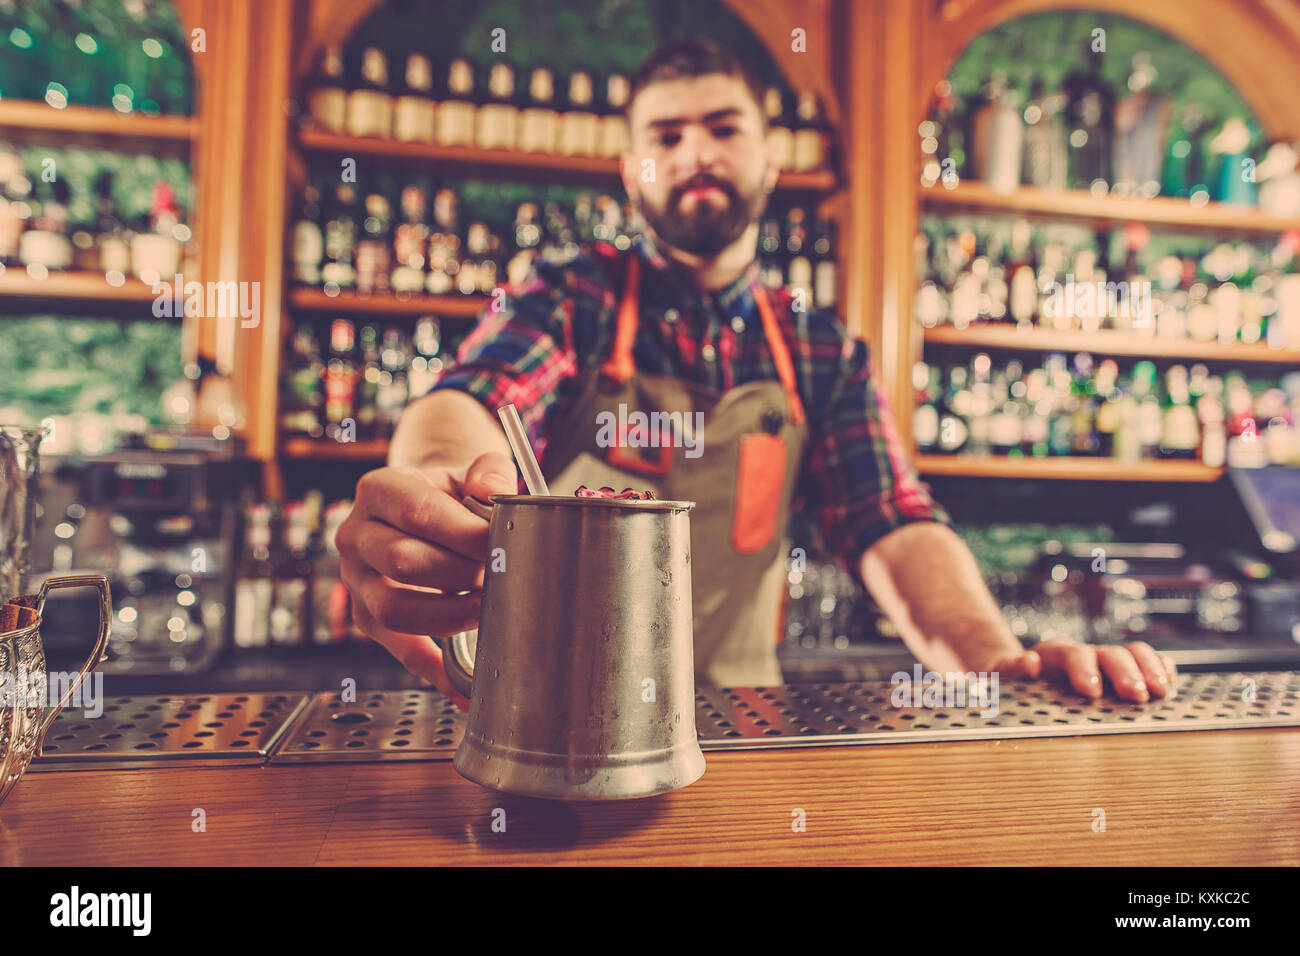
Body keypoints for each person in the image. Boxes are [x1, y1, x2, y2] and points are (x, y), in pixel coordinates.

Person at [335, 37, 1177, 712]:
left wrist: (995, 661)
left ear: (770, 159)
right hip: (559, 724)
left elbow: (893, 523)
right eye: (666, 137)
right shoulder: (569, 298)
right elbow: (472, 398)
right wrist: (434, 484)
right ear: (633, 175)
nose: (696, 149)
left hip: (743, 729)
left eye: (723, 127)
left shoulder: (821, 351)